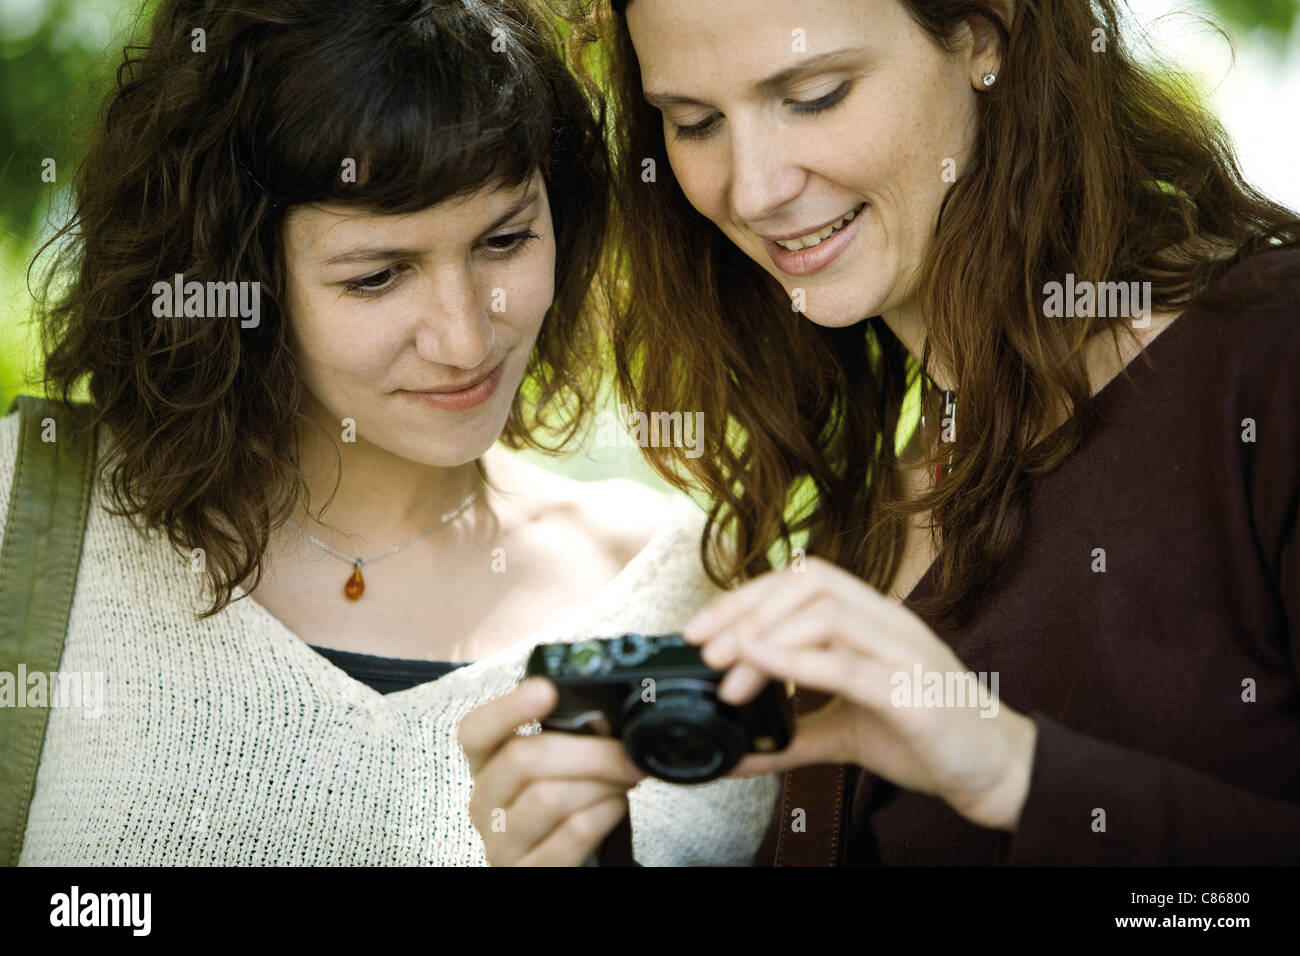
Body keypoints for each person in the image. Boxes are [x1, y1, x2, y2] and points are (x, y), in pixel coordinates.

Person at [473, 0, 1300, 864]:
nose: (753, 189)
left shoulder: (1268, 365)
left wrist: (1012, 771)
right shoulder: (865, 514)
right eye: (697, 121)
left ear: (986, 36)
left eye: (815, 95)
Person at [2, 0, 776, 866]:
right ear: (233, 277)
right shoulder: (26, 522)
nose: (465, 339)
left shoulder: (692, 595)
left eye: (506, 238)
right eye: (377, 276)